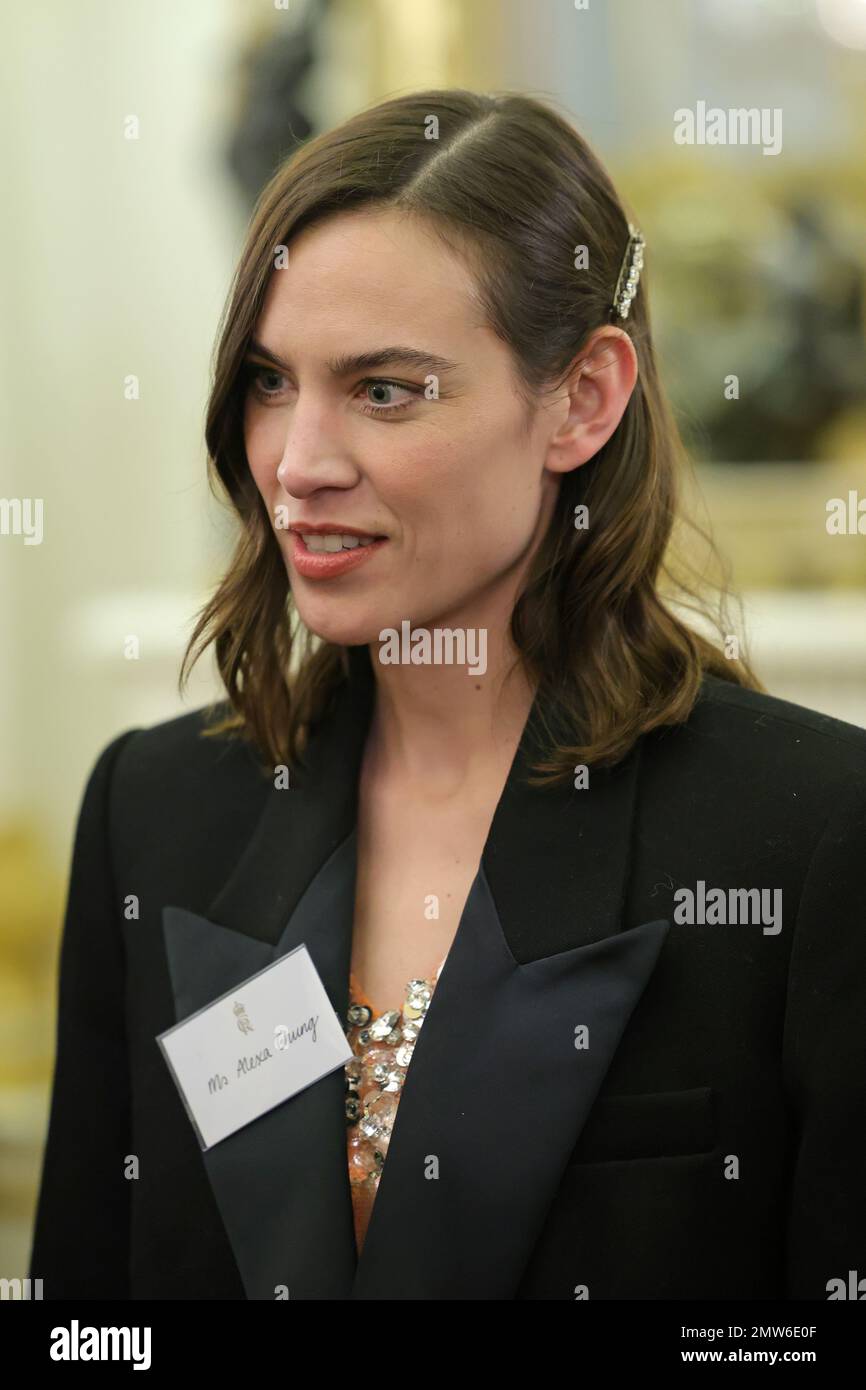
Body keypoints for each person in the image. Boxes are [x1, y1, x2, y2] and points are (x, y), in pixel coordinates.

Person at [29, 89, 866, 1300]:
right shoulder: (156, 810)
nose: (299, 464)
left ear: (581, 398)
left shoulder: (808, 834)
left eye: (384, 390)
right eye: (270, 381)